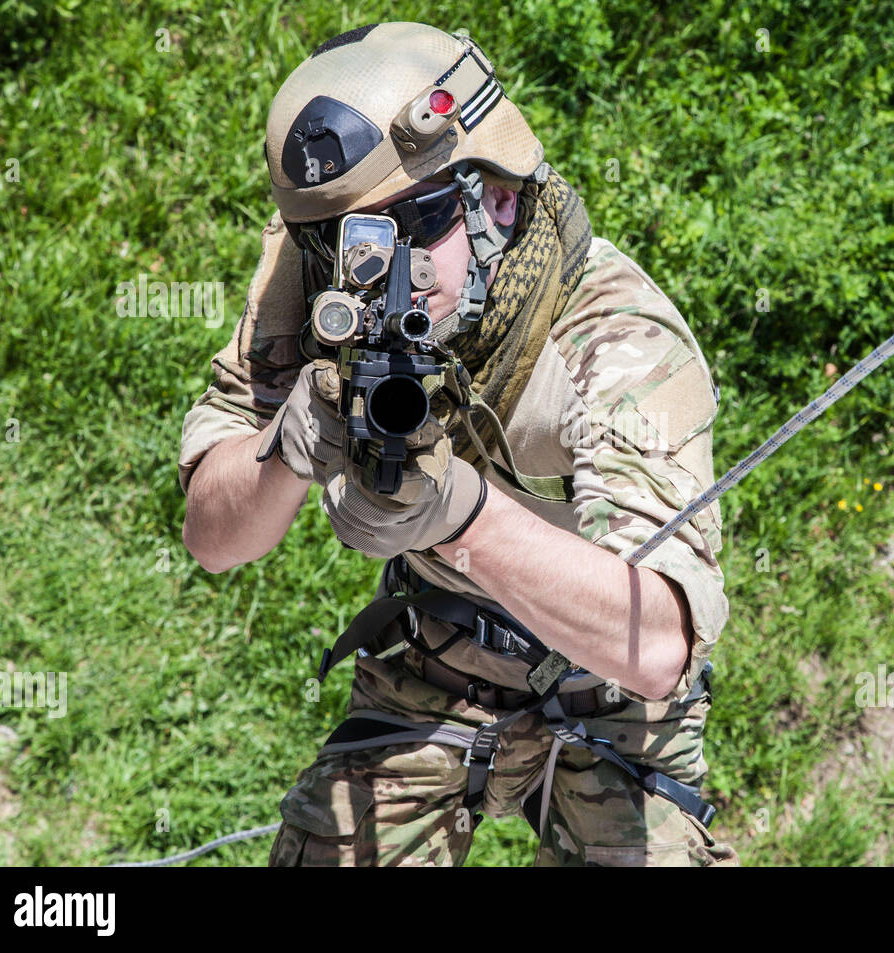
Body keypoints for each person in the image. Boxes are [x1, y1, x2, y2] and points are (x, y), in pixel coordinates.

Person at [178, 21, 736, 866]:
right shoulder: (318, 276)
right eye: (341, 241)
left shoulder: (616, 340)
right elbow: (214, 542)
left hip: (613, 694)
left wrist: (462, 518)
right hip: (437, 663)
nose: (376, 267)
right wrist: (285, 450)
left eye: (417, 223)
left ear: (497, 197)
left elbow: (656, 646)